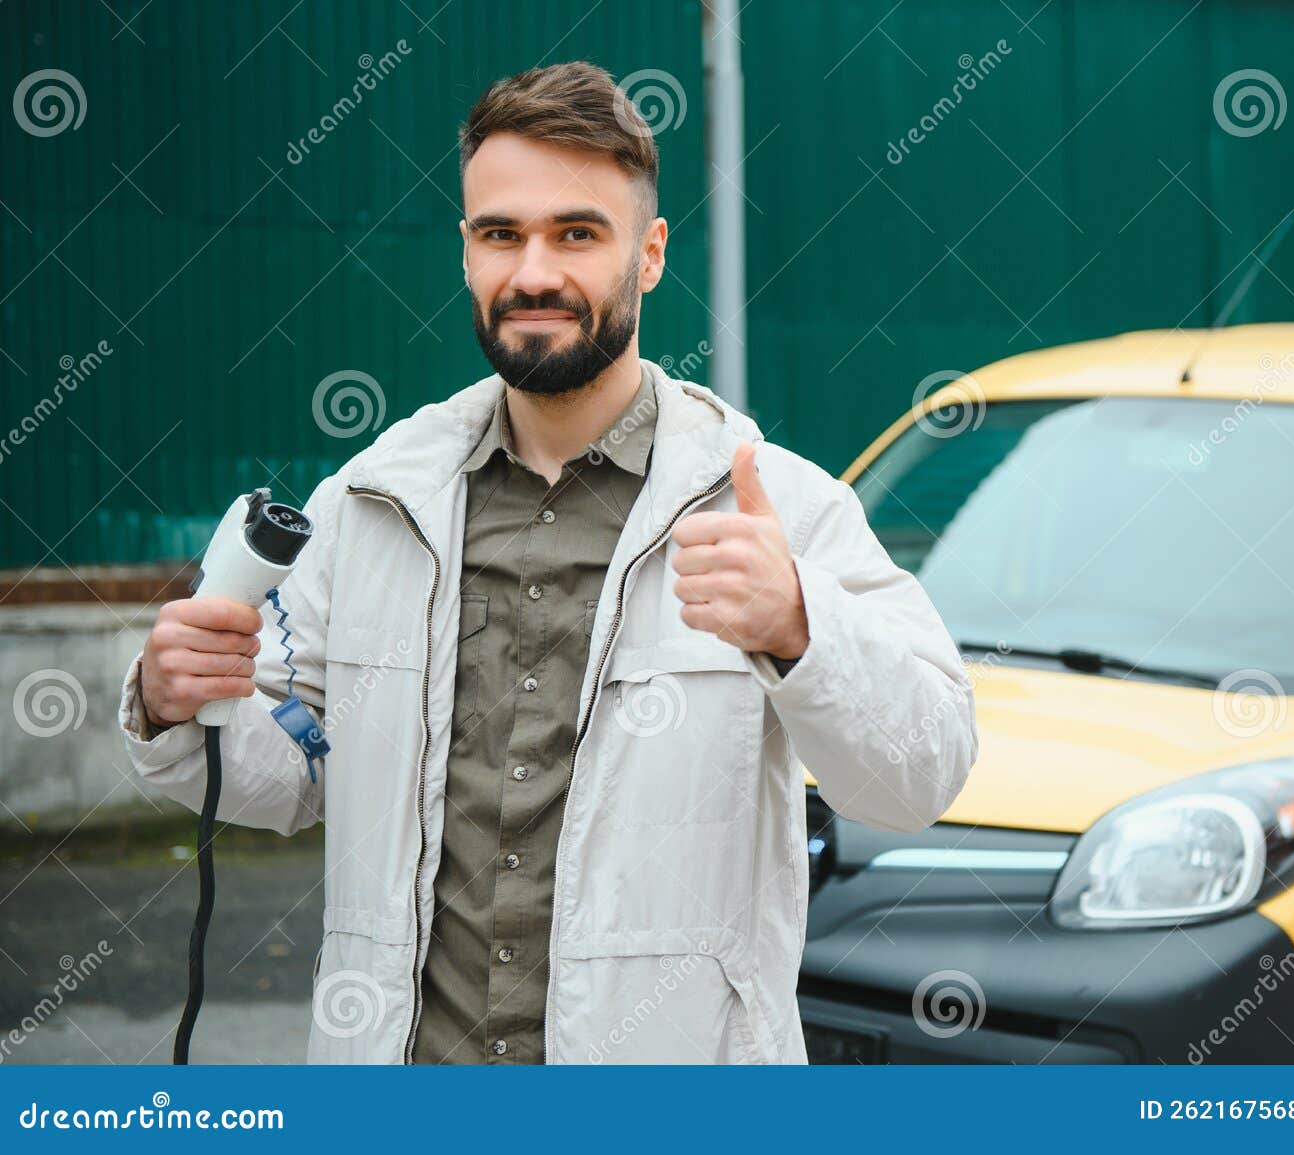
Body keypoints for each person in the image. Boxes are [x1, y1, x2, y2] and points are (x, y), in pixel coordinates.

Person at [119, 61, 977, 1064]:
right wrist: (182, 702)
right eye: (500, 235)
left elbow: (922, 775)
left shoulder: (777, 507)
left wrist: (800, 627)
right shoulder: (372, 503)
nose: (533, 272)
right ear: (468, 253)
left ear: (649, 254)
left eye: (577, 233)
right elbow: (290, 774)